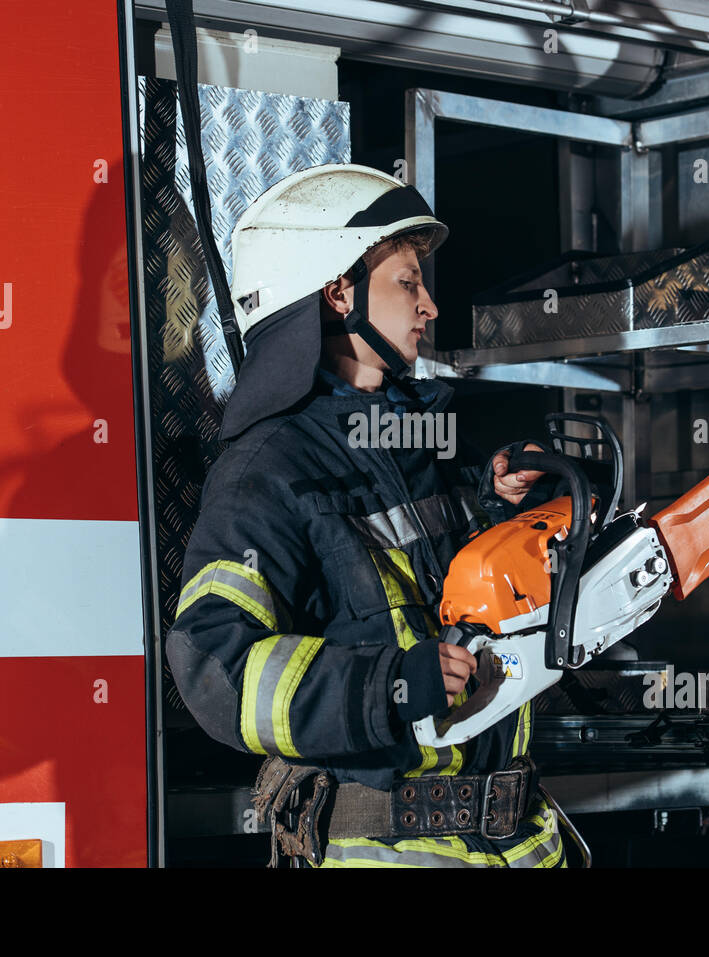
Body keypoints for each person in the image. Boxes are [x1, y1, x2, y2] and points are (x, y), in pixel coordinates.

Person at [165, 163, 564, 868]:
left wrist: (494, 502)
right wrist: (388, 685)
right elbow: (214, 664)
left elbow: (454, 597)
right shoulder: (266, 470)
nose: (429, 306)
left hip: (517, 839)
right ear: (338, 292)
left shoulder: (422, 444)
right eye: (408, 282)